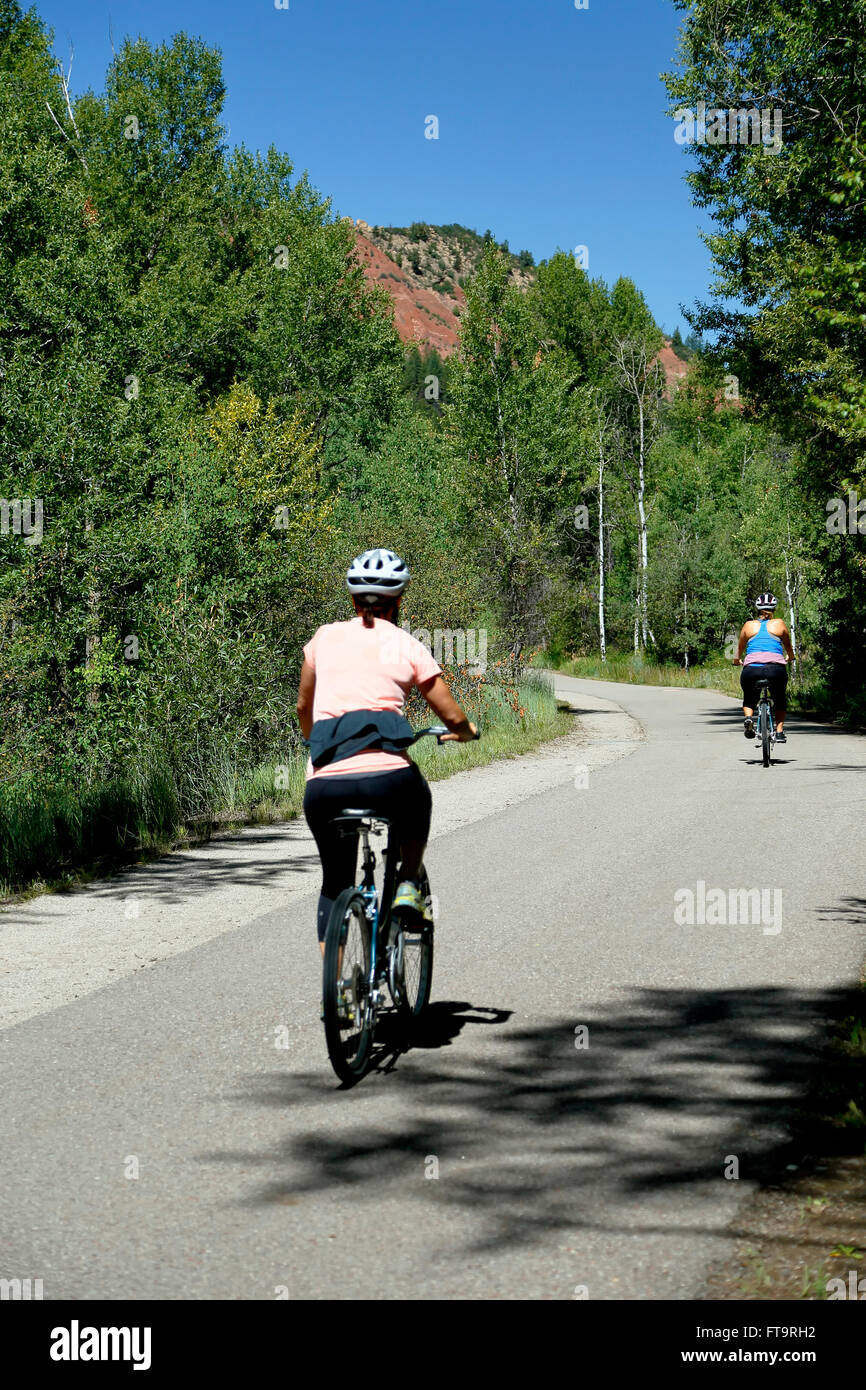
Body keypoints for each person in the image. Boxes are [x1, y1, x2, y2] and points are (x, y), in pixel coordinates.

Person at [297, 548, 478, 956]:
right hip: (387, 780)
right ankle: (409, 883)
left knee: (334, 883)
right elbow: (450, 713)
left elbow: (302, 708)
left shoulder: (323, 639)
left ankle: (339, 999)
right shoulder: (406, 644)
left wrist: (316, 743)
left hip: (324, 786)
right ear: (399, 601)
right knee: (419, 796)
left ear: (352, 599)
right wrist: (465, 733)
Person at [732, 592, 794, 743]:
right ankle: (779, 732)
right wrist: (790, 657)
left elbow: (738, 649)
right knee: (779, 698)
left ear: (757, 609)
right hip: (775, 669)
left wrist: (736, 660)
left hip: (751, 669)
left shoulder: (748, 625)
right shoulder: (779, 623)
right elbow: (788, 646)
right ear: (774, 608)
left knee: (749, 698)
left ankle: (748, 719)